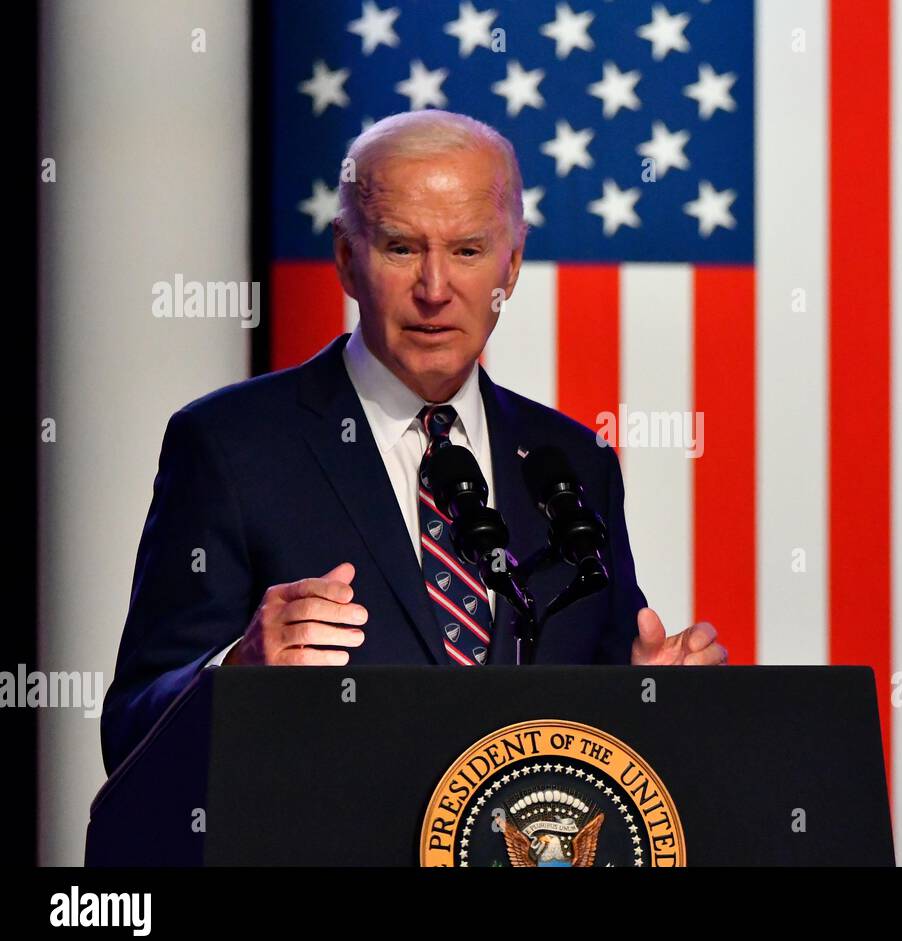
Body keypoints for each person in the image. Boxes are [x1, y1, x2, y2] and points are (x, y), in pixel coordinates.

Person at [101, 109, 726, 776]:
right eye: (402, 248)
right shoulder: (230, 447)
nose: (435, 290)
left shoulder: (573, 462)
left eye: (467, 251)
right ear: (347, 258)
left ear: (510, 266)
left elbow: (603, 714)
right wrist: (236, 675)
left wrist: (653, 695)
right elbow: (132, 730)